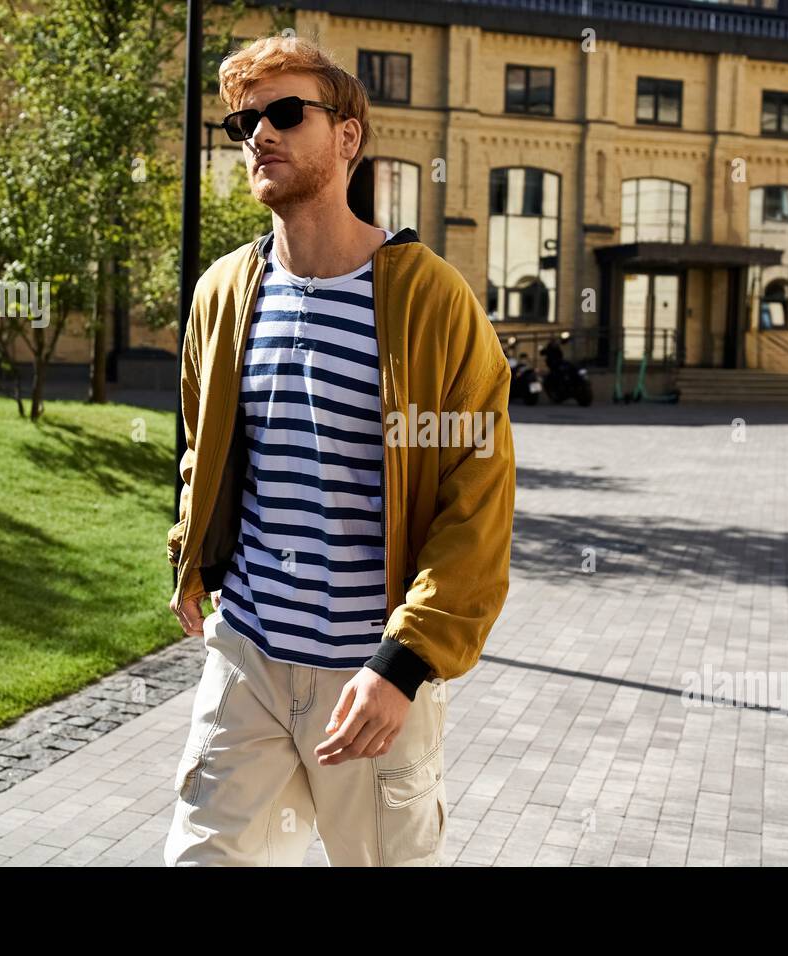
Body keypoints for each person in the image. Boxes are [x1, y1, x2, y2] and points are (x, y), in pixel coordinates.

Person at [162, 34, 515, 866]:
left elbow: (478, 500)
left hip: (373, 677)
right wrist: (190, 546)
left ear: (349, 137)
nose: (259, 135)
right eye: (244, 121)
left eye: (286, 113)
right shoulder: (223, 294)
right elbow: (200, 446)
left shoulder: (430, 300)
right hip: (246, 656)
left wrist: (406, 661)